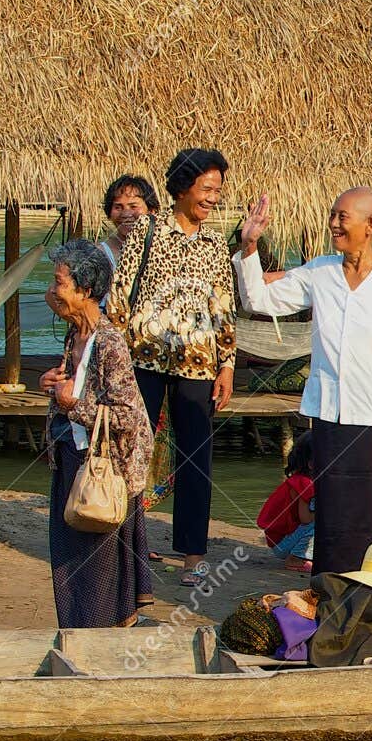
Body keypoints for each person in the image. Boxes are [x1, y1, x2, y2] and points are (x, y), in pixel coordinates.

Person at [234, 188, 372, 578]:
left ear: (370, 226)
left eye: (343, 217)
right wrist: (249, 245)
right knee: (335, 516)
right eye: (333, 215)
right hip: (331, 415)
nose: (334, 224)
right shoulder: (318, 272)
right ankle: (331, 592)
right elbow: (258, 300)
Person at [105, 147, 236, 587]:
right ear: (182, 187)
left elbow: (223, 306)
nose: (213, 198)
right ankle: (124, 543)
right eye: (206, 189)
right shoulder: (145, 229)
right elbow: (121, 295)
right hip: (142, 357)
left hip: (198, 363)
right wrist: (113, 356)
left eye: (217, 191)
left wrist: (227, 364)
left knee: (196, 458)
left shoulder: (216, 244)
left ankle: (192, 556)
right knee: (131, 448)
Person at [39, 240, 154, 629]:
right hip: (73, 456)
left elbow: (127, 416)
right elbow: (76, 391)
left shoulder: (109, 342)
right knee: (69, 558)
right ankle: (79, 632)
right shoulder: (75, 336)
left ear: (84, 290)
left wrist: (74, 405)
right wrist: (53, 385)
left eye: (59, 283)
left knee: (96, 565)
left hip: (103, 467)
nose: (52, 291)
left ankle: (99, 637)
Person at [258, 432, 316, 573]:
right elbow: (306, 519)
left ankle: (301, 555)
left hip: (279, 541)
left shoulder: (300, 479)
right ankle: (296, 559)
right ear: (311, 464)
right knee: (320, 522)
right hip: (282, 544)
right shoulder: (305, 484)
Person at [98, 175, 160, 276]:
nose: (126, 214)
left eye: (133, 206)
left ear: (151, 210)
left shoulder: (166, 251)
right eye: (118, 207)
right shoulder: (100, 255)